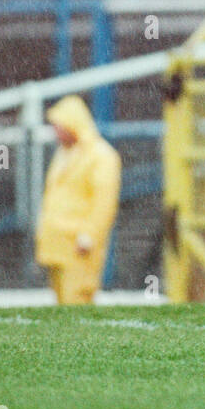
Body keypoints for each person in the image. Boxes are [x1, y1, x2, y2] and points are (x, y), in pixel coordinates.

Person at [35, 95, 122, 305]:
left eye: (59, 126)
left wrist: (89, 235)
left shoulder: (101, 156)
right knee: (61, 306)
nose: (55, 131)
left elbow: (104, 202)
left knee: (77, 301)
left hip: (78, 247)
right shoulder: (64, 153)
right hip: (57, 245)